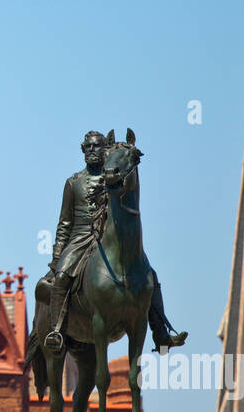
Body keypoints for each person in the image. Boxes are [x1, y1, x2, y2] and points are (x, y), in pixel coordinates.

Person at [43, 130, 187, 354]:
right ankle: (56, 331)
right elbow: (64, 223)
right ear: (83, 150)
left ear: (104, 151)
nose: (92, 151)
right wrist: (57, 257)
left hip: (107, 237)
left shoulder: (112, 177)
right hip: (80, 238)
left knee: (150, 275)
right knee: (61, 276)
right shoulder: (73, 183)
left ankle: (160, 334)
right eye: (88, 147)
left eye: (97, 147)